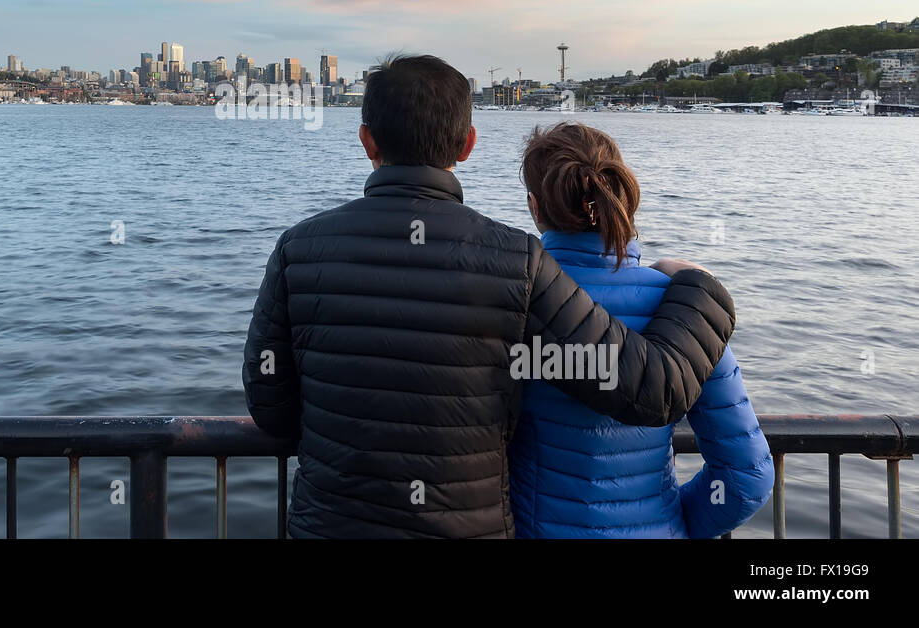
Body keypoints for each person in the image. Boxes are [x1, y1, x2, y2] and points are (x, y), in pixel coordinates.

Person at [242, 55, 736, 538]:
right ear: (467, 144)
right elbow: (652, 389)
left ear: (366, 140)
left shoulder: (297, 249)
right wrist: (700, 288)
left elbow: (272, 408)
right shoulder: (516, 261)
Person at [509, 121, 773, 538]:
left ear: (535, 207)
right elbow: (747, 478)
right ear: (621, 197)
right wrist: (671, 523)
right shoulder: (687, 310)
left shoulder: (508, 301)